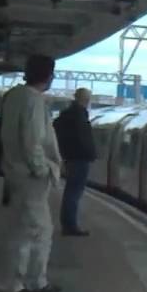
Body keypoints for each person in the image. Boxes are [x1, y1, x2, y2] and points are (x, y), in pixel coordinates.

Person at [0, 54, 63, 292]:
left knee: (25, 230)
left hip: (16, 172)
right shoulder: (32, 100)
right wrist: (41, 169)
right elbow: (32, 140)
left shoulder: (13, 96)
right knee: (36, 231)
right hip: (29, 176)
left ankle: (29, 282)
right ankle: (22, 284)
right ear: (48, 75)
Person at [53, 88, 95, 236]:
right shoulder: (78, 114)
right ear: (84, 99)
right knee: (74, 193)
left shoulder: (68, 114)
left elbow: (56, 130)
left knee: (71, 192)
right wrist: (89, 153)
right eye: (88, 98)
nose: (88, 100)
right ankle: (70, 226)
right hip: (79, 159)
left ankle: (68, 224)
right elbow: (82, 139)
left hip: (72, 158)